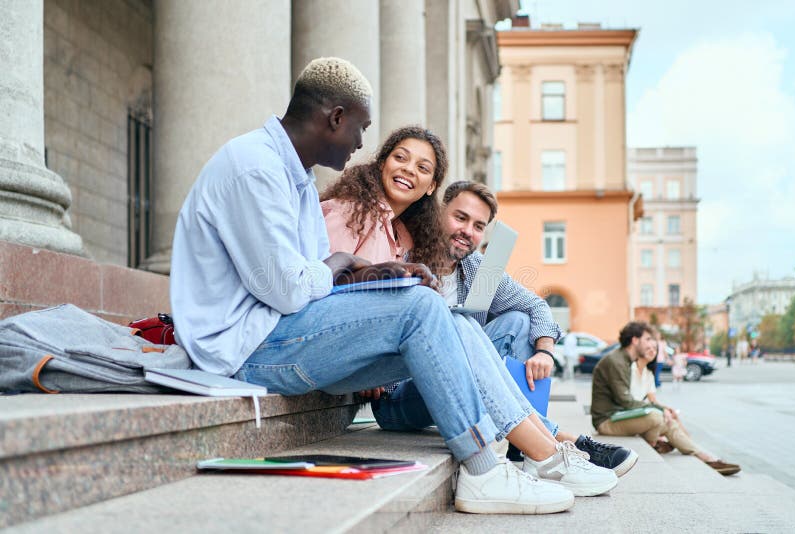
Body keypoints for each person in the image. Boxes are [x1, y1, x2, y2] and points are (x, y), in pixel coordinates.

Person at [171, 56, 579, 515]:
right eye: (361, 129)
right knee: (423, 308)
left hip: (281, 333)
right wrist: (347, 263)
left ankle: (540, 451)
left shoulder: (296, 177)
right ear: (336, 117)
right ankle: (485, 470)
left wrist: (368, 275)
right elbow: (286, 289)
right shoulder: (255, 168)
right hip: (247, 348)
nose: (362, 142)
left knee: (449, 318)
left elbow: (309, 274)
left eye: (478, 225)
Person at [323, 174, 637, 479]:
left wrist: (545, 352)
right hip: (399, 397)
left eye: (478, 226)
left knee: (518, 321)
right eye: (460, 218)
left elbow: (538, 307)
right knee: (459, 328)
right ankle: (560, 442)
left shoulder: (477, 270)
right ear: (440, 213)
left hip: (458, 385)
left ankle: (523, 440)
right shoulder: (405, 253)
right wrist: (369, 364)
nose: (467, 231)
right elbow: (367, 310)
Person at [591, 321, 740, 476]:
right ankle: (655, 443)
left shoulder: (623, 360)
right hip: (606, 422)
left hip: (619, 416)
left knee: (667, 421)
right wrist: (660, 409)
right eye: (648, 339)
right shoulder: (617, 361)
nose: (652, 344)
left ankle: (704, 457)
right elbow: (626, 401)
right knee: (656, 416)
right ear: (635, 340)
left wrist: (662, 410)